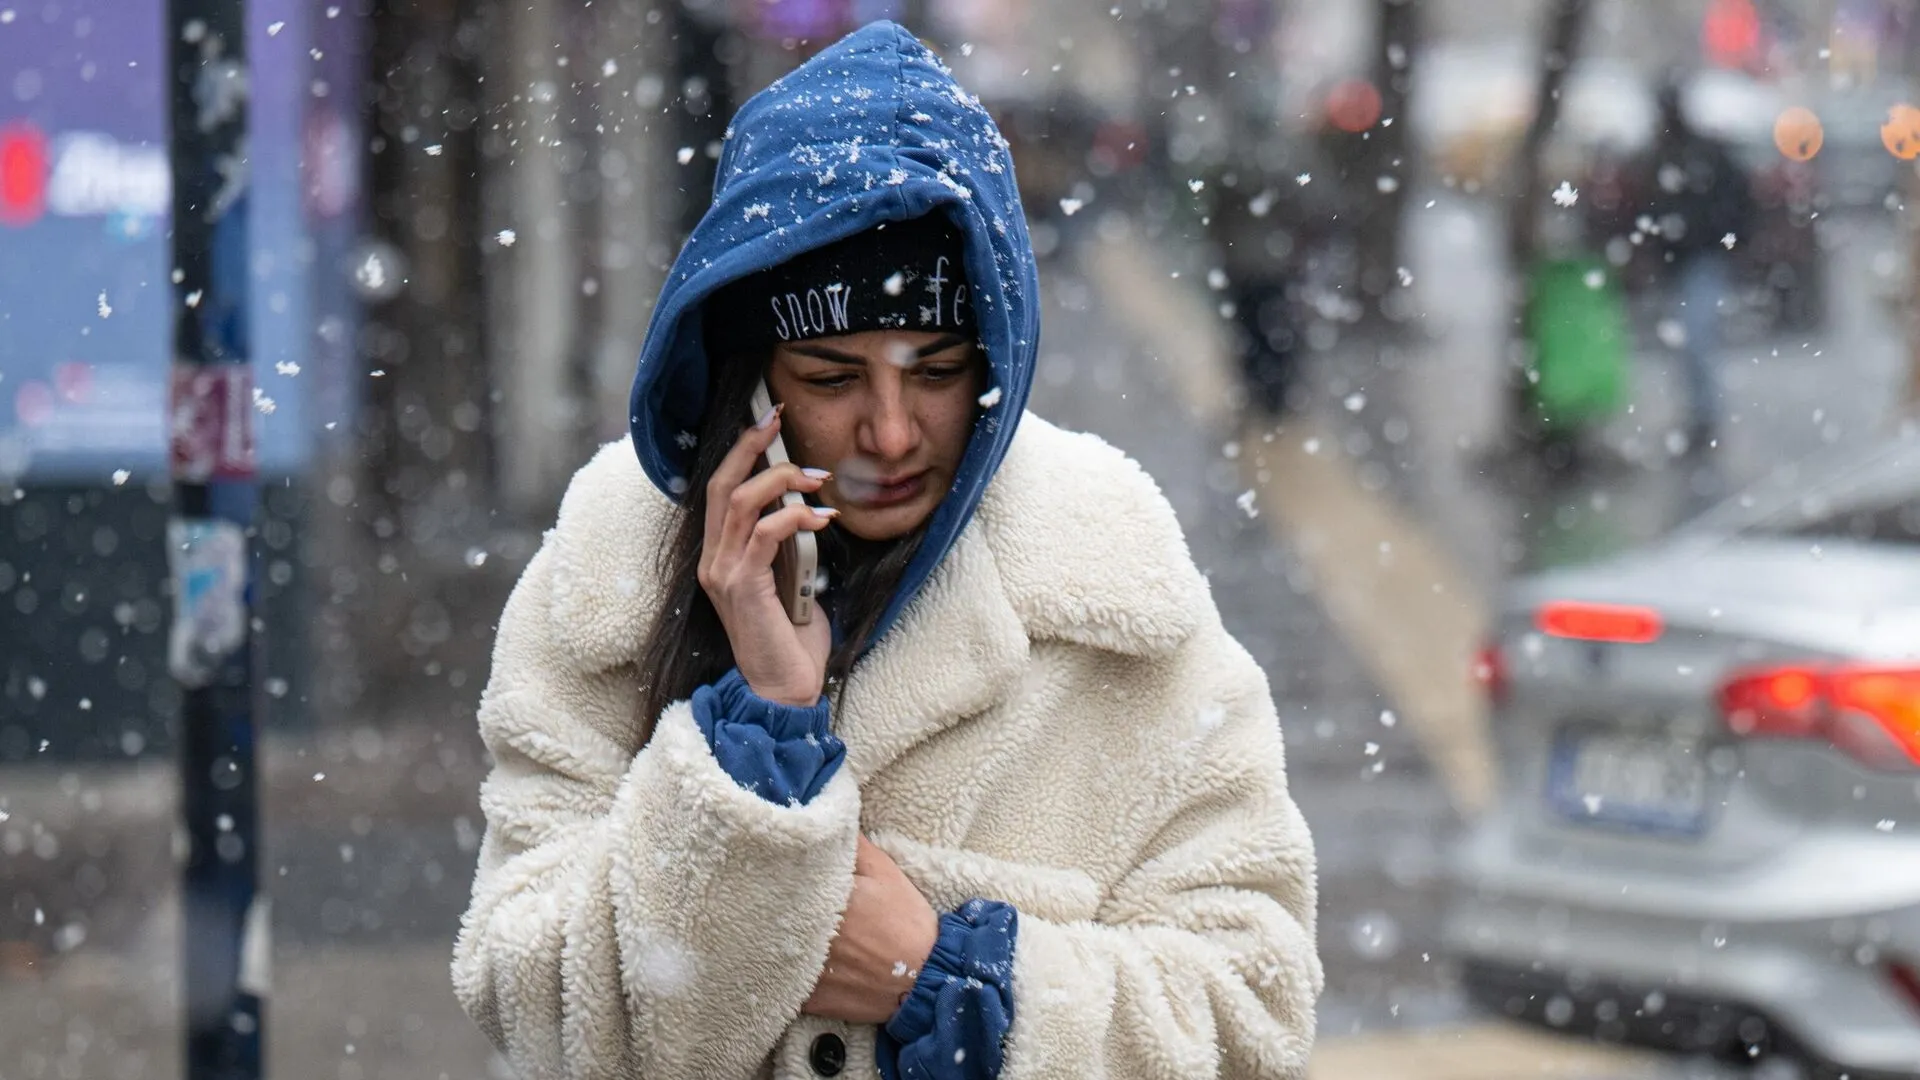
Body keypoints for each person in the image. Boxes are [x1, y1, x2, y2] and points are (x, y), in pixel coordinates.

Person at [451, 22, 1321, 1080]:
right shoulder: (607, 585)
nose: (894, 433)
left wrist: (949, 982)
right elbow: (541, 1013)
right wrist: (757, 737)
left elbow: (1257, 1017)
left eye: (940, 370)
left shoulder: (1116, 595)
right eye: (830, 379)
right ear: (753, 377)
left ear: (995, 358)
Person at [1631, 77, 1756, 453]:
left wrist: (1728, 239)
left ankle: (1703, 418)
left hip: (1699, 258)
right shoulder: (1668, 154)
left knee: (1694, 341)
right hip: (1686, 260)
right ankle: (1699, 416)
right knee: (1688, 343)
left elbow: (1732, 201)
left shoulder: (1692, 155)